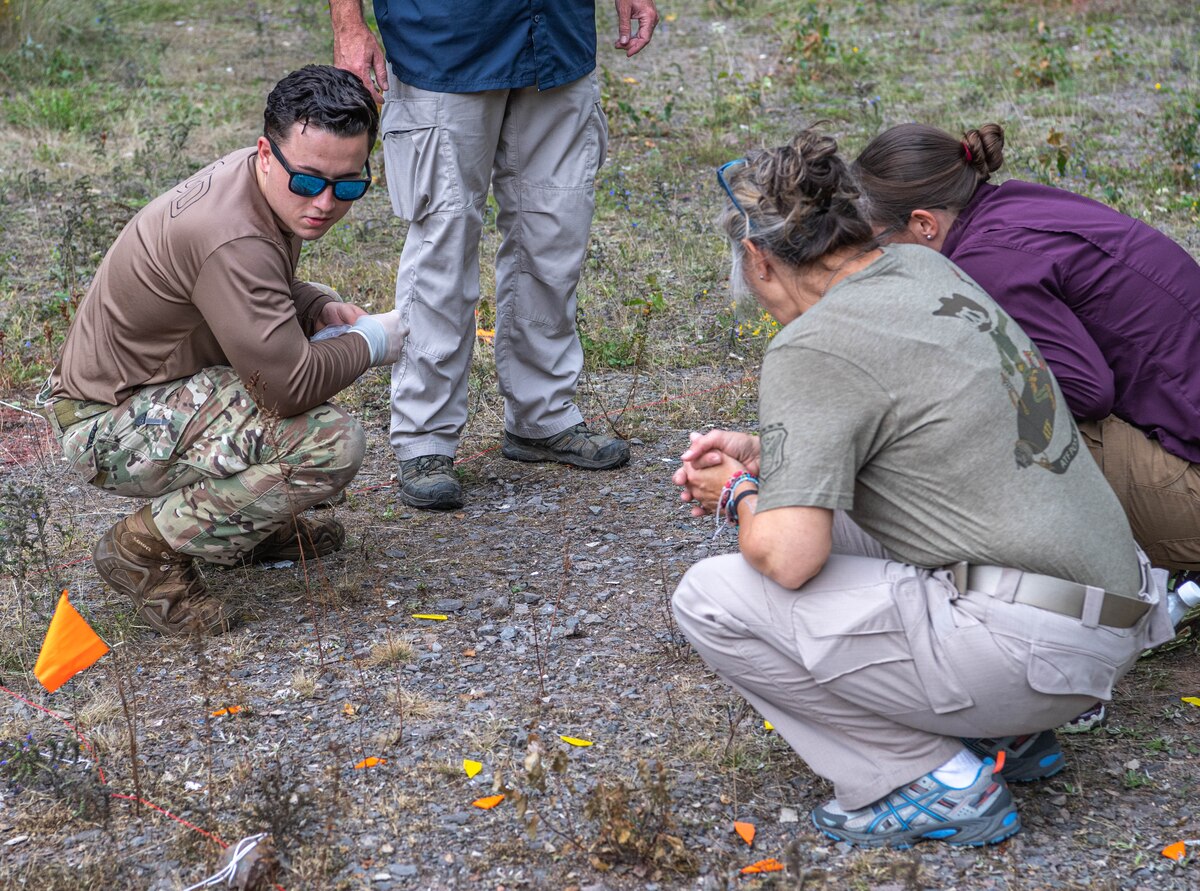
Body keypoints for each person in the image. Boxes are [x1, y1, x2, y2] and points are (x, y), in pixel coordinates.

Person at [670, 130, 1173, 848]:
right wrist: (770, 451)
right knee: (841, 512)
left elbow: (788, 555)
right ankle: (1008, 732)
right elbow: (912, 434)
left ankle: (929, 779)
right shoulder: (922, 265)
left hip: (1042, 651)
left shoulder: (810, 345)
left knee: (712, 597)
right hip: (1111, 608)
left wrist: (742, 490)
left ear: (759, 258)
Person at [40, 65, 407, 636]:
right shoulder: (231, 233)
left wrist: (313, 306)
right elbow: (287, 388)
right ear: (267, 153)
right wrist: (375, 341)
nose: (325, 202)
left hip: (144, 389)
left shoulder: (255, 185)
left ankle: (249, 530)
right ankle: (143, 550)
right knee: (328, 443)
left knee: (312, 325)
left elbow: (241, 288)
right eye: (309, 181)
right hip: (105, 425)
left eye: (349, 185)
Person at [329, 0, 659, 511]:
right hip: (444, 40)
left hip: (556, 34)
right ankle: (425, 438)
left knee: (555, 235)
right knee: (443, 245)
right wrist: (348, 23)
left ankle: (543, 414)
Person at [853, 122, 1200, 573]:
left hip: (1193, 482)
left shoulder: (985, 263)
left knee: (987, 425)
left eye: (878, 242)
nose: (879, 258)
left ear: (923, 224)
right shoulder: (1018, 202)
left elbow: (1088, 392)